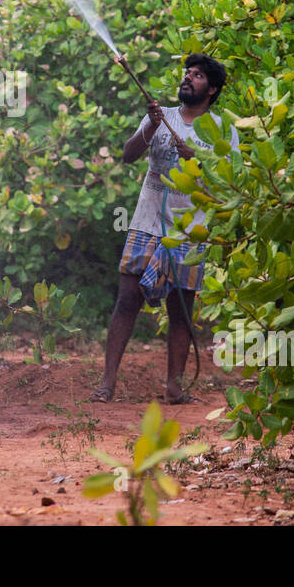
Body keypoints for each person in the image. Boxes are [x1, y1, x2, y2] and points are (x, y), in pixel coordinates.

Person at [89, 52, 237, 404]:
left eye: (198, 75)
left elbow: (227, 185)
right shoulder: (161, 116)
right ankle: (107, 383)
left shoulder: (221, 131)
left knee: (181, 310)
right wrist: (151, 127)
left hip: (189, 229)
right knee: (127, 300)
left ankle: (173, 386)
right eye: (188, 72)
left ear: (212, 89)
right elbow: (128, 154)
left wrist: (196, 162)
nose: (188, 78)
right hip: (147, 222)